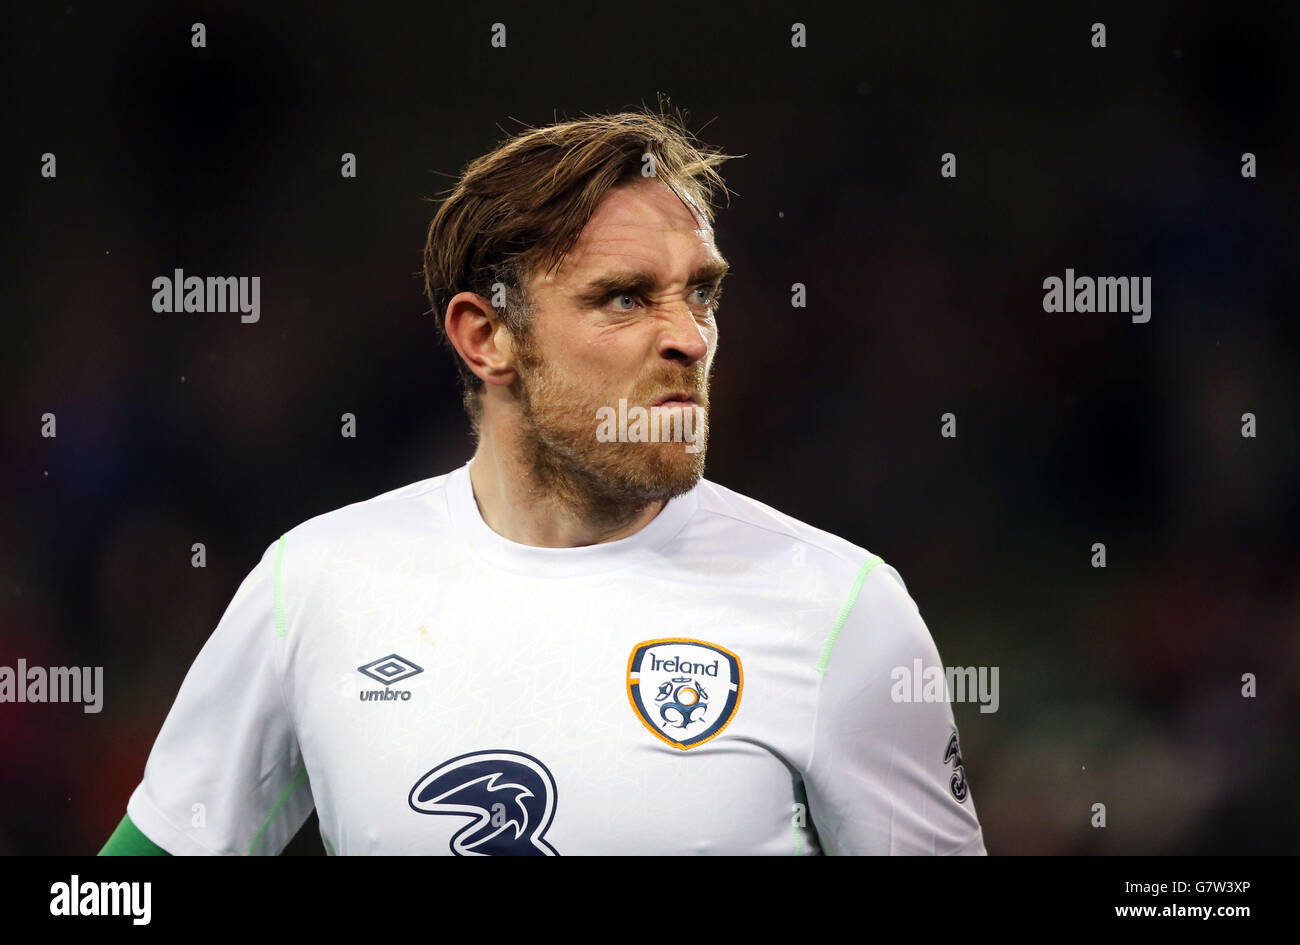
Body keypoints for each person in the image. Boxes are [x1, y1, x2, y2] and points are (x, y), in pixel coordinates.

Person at [100, 107, 986, 855]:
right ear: (487, 337)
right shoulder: (317, 584)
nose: (691, 337)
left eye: (703, 294)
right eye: (626, 298)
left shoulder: (841, 607)